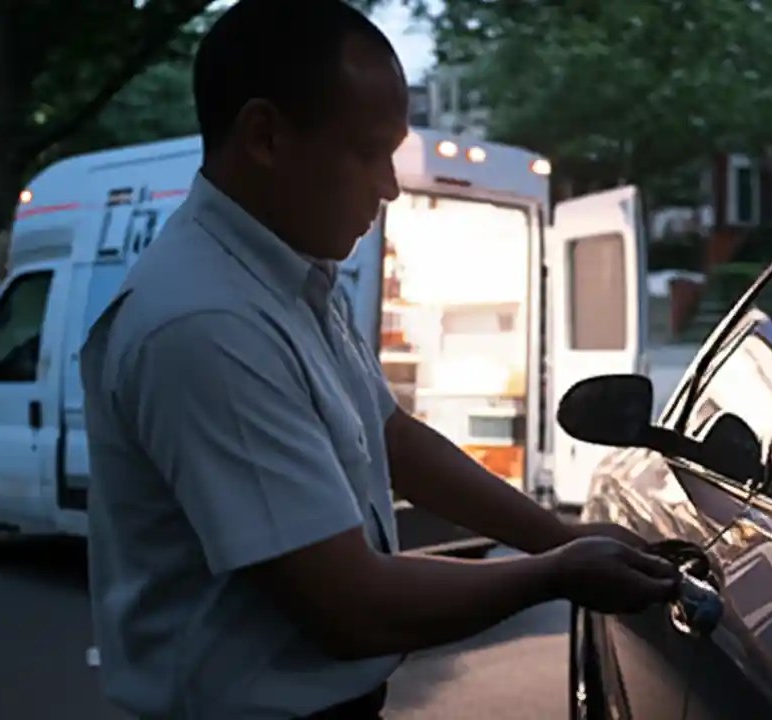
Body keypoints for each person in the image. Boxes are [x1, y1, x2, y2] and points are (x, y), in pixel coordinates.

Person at [78, 1, 679, 717]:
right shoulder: (206, 321)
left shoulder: (288, 278)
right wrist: (556, 574)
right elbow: (353, 607)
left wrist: (557, 534)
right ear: (265, 136)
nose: (390, 185)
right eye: (368, 153)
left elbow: (392, 438)